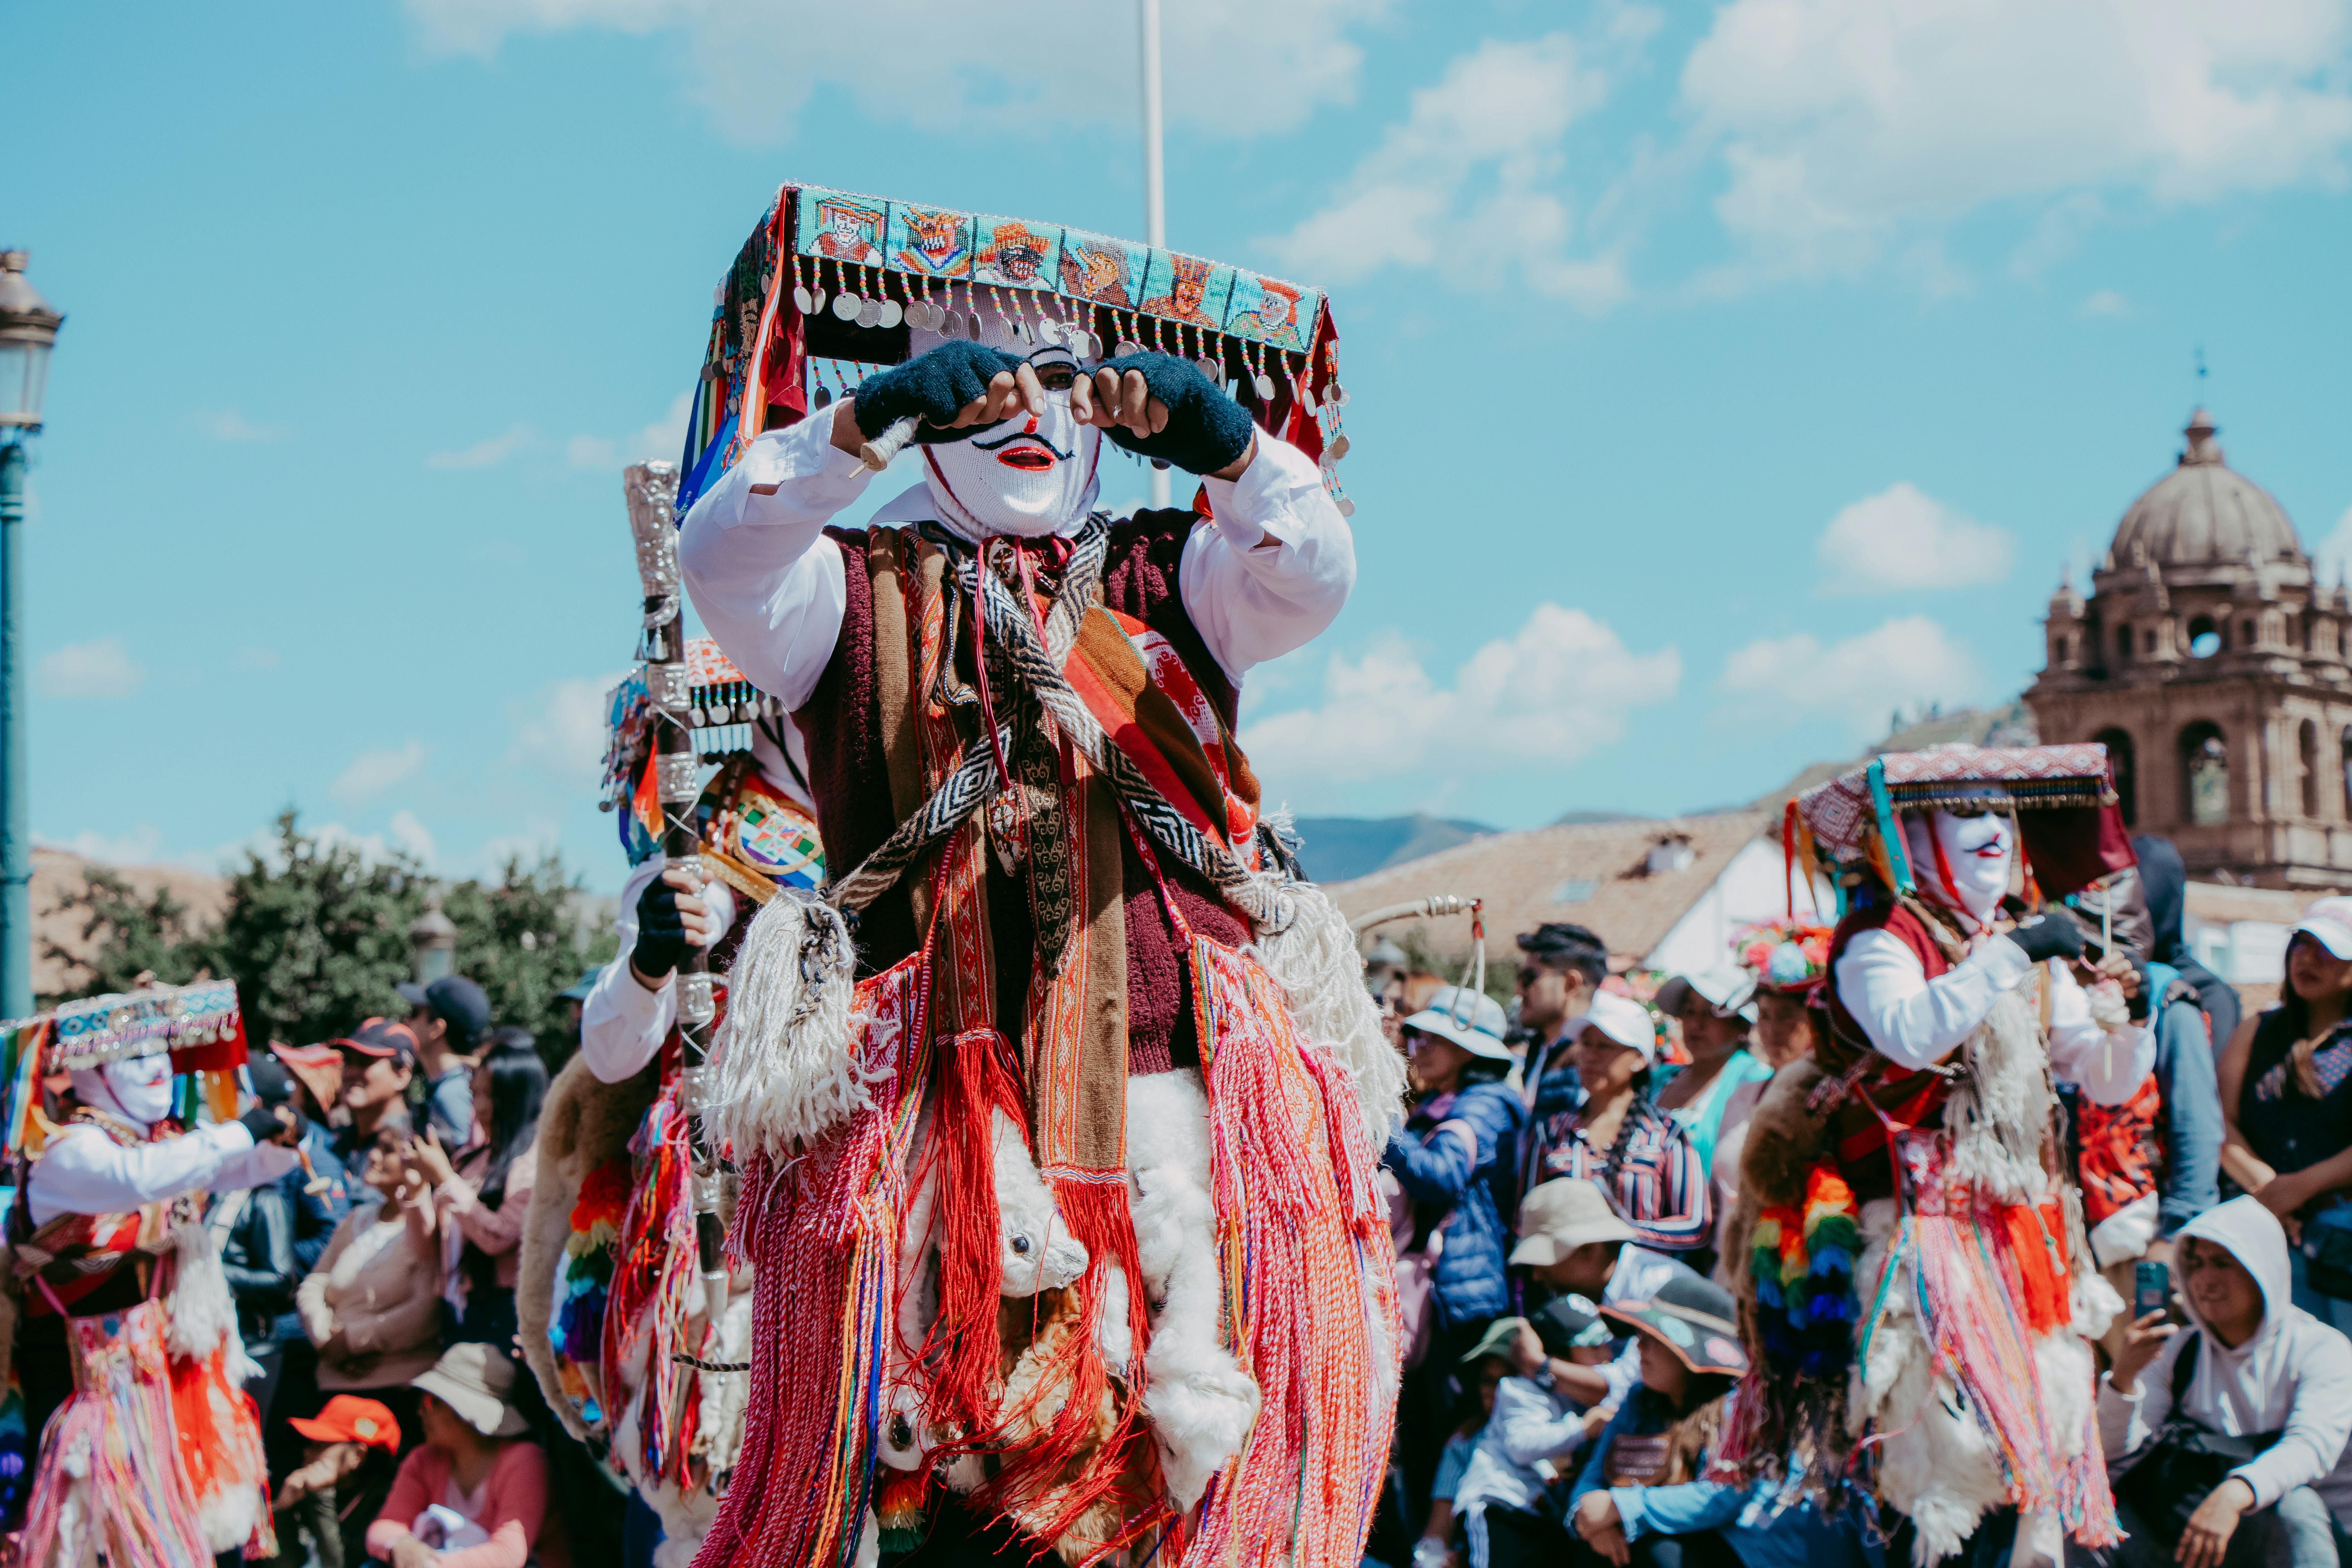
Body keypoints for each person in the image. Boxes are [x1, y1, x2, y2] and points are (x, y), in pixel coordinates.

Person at [670, 189, 1387, 1566]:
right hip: (936, 1143)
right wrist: (856, 432)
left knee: (1186, 1492)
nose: (1029, 407)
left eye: (1063, 375)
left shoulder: (1184, 575)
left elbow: (1317, 570)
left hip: (1182, 1123)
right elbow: (722, 546)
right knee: (945, 1500)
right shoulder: (844, 587)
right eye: (981, 374)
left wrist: (1233, 451)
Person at [1720, 744, 2155, 1567]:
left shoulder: (2015, 943)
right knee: (1930, 1459)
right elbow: (1910, 1035)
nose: (1990, 829)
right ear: (1912, 834)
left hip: (2022, 1238)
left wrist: (2131, 1017)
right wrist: (2015, 955)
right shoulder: (1876, 939)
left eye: (2000, 811)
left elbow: (2096, 1075)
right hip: (1913, 1242)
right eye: (1963, 812)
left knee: (2034, 1444)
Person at [6, 984, 303, 1562]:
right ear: (92, 1072)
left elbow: (245, 1166)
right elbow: (140, 1177)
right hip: (78, 1379)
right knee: (86, 1537)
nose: (158, 1068)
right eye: (134, 1056)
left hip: (154, 1375)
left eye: (162, 1052)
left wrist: (287, 1138)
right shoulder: (72, 1148)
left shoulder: (165, 1144)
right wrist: (244, 1128)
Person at [2096, 1197, 2352, 1568]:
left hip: (2309, 1535)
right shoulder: (2180, 1349)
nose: (2204, 1279)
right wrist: (2123, 1379)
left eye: (2223, 1262)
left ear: (2262, 1268)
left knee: (2297, 1505)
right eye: (2195, 1264)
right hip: (2197, 1528)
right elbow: (2115, 1455)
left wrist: (2236, 1492)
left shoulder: (2323, 1349)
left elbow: (2310, 1445)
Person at [1569, 1276, 1863, 1568]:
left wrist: (1621, 1508)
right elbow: (1595, 1473)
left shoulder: (1740, 1409)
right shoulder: (1638, 1400)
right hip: (1657, 1532)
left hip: (1736, 1547)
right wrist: (1593, 1518)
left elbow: (1724, 1497)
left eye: (1654, 1338)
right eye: (1639, 1335)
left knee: (1663, 1555)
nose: (1639, 1348)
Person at [1386, 986, 1529, 1525]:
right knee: (1421, 1434)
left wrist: (1380, 1123)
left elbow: (1440, 1176)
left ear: (1469, 1050)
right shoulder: (1442, 1103)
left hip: (1460, 1298)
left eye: (1434, 1038)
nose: (1417, 1047)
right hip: (1439, 1291)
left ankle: (1444, 1546)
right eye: (1417, 1035)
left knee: (1448, 1432)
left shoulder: (1486, 1104)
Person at [2217, 897, 2352, 1332]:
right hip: (2268, 1233)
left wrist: (2296, 1188)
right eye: (2301, 943)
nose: (2308, 958)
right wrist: (2268, 1191)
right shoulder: (2257, 1029)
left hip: (2341, 1241)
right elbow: (2221, 1122)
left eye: (2327, 949)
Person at [1525, 991, 1710, 1256]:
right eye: (1586, 1045)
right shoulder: (1551, 1133)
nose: (1590, 1056)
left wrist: (1620, 1235)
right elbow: (1527, 1220)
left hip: (1642, 1291)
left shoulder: (1666, 1135)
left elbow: (1695, 1225)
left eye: (1605, 1047)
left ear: (1639, 1059)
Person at [298, 1119, 445, 1441]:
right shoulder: (358, 1219)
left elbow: (426, 1309)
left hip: (396, 1389)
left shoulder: (428, 1225)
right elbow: (313, 1285)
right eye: (375, 1147)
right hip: (334, 1386)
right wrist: (327, 1341)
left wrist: (354, 1341)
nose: (374, 1157)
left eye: (388, 1150)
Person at [1450, 1295, 1622, 1568]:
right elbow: (1521, 1446)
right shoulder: (1518, 1389)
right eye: (1593, 1345)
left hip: (1535, 1515)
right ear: (1560, 1352)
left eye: (1607, 1344)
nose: (1607, 1355)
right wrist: (1583, 1429)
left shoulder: (1574, 1397)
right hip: (1499, 1507)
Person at [1709, 923, 1829, 1269]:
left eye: (1789, 1017)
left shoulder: (1827, 1098)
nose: (1774, 1030)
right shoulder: (1743, 1097)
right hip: (1733, 1267)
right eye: (1765, 1016)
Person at [411, 1038, 544, 1348]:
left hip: (504, 1316)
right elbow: (427, 1250)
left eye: (492, 1096)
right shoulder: (471, 1161)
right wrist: (415, 1189)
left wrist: (444, 1177)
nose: (480, 1107)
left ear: (520, 1097)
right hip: (455, 1310)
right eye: (475, 1095)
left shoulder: (534, 1167)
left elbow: (498, 1238)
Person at [367, 1344, 552, 1568]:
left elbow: (509, 1554)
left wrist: (429, 1565)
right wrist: (401, 1545)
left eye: (431, 1402)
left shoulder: (525, 1461)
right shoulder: (423, 1460)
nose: (420, 1411)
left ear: (464, 1413)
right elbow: (385, 1526)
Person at [1514, 923, 1611, 1201]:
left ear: (1570, 984)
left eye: (1529, 978)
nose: (1518, 990)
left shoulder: (1595, 1063)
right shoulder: (1539, 1049)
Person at [1652, 967, 1771, 1178]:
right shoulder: (1659, 1078)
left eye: (1711, 1013)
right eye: (1690, 1011)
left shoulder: (1755, 1082)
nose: (1696, 1024)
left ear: (1742, 1026)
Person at [1415, 1335, 1514, 1568]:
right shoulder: (1464, 1441)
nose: (1496, 1392)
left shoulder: (1557, 1430)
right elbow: (1439, 1526)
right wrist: (1431, 1561)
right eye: (1488, 1381)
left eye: (1507, 1380)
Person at [273, 1394, 404, 1568]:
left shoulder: (385, 1506)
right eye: (308, 1444)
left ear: (357, 1456)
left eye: (319, 1446)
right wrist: (282, 1512)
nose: (306, 1452)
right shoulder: (306, 1490)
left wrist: (322, 1498)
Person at [400, 975, 493, 1146]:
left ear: (437, 1028)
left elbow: (468, 1163)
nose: (406, 1020)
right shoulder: (451, 1085)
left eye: (414, 1013)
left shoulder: (452, 1094)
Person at [333, 1017, 421, 1175]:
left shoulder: (412, 1148)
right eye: (349, 1061)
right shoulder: (339, 1141)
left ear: (401, 1077)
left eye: (364, 1062)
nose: (351, 1072)